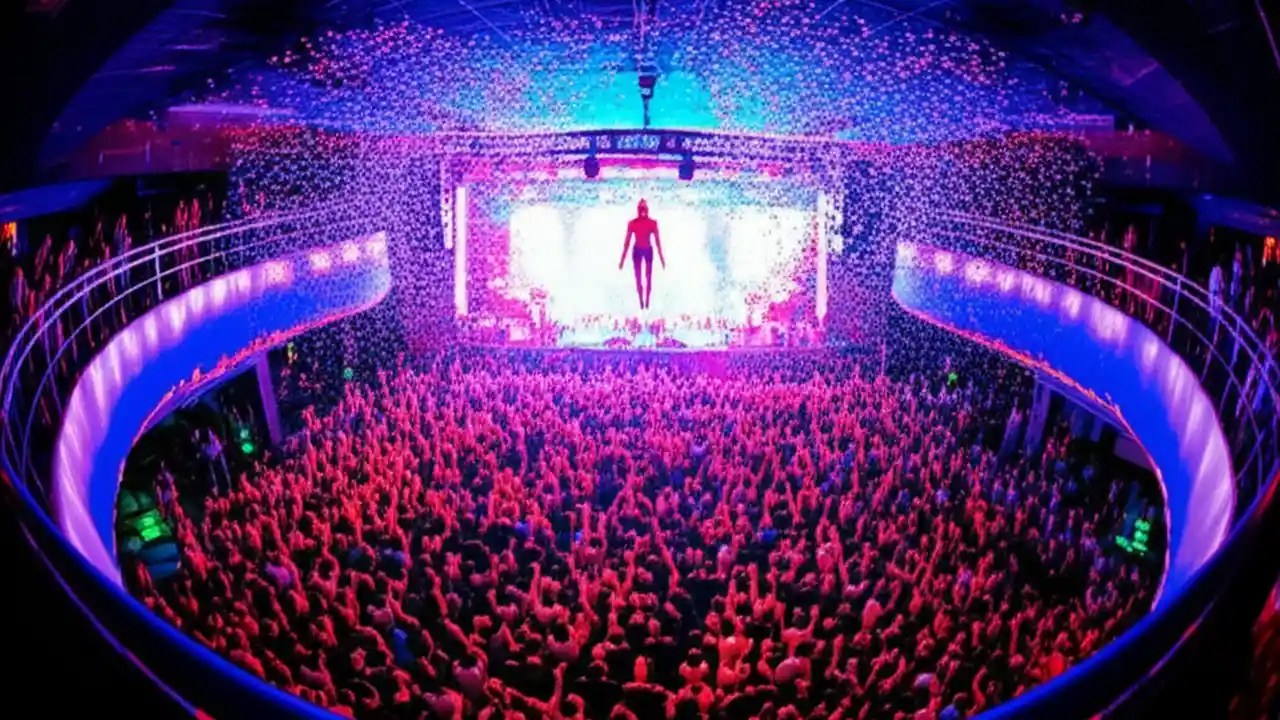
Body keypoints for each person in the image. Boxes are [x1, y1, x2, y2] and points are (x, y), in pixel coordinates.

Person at [618, 200, 665, 311]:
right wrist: (622, 260)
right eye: (641, 209)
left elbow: (658, 242)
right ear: (638, 210)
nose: (642, 212)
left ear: (647, 210)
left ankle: (647, 302)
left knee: (648, 278)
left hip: (647, 249)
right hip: (638, 250)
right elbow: (627, 243)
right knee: (638, 278)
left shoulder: (652, 223)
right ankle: (641, 302)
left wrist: (662, 258)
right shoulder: (633, 223)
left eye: (644, 209)